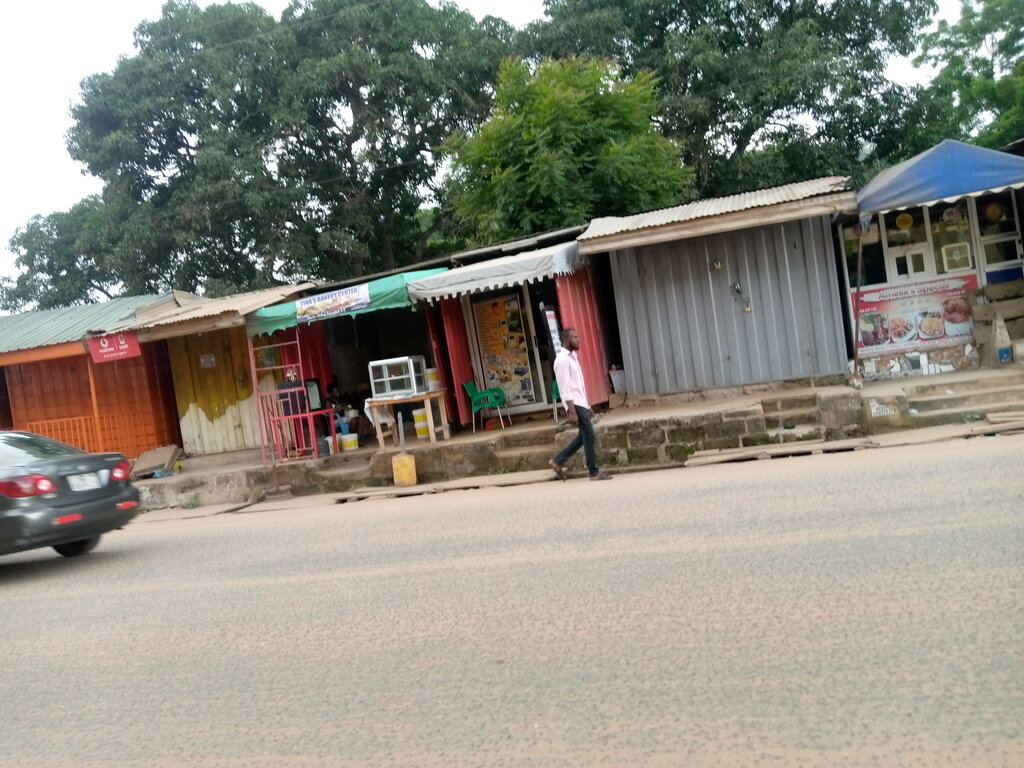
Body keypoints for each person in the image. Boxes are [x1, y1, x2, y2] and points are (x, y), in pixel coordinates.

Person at [549, 327, 611, 481]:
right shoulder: (562, 360)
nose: (578, 339)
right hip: (574, 404)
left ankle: (557, 461)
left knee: (584, 435)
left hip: (580, 402)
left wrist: (588, 405)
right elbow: (565, 388)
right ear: (566, 340)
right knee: (589, 434)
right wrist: (572, 411)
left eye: (578, 336)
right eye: (575, 337)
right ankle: (593, 472)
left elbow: (578, 385)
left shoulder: (573, 358)